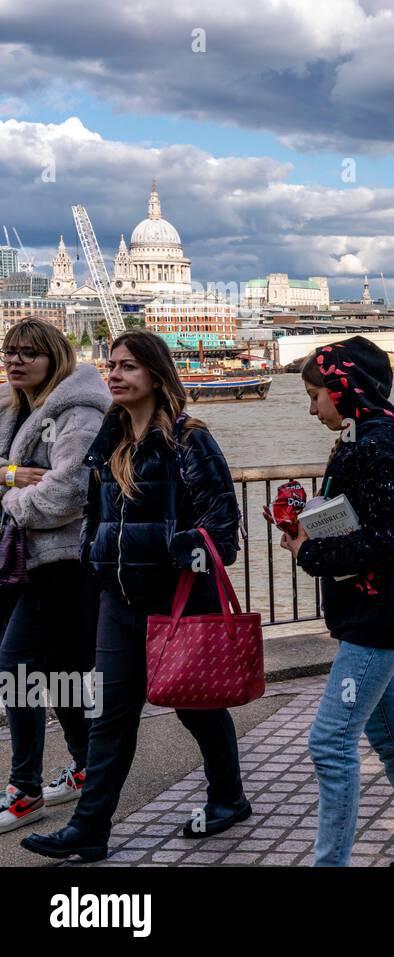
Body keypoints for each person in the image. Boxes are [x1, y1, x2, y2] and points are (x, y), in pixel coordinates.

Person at [22, 330, 249, 863]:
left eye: (127, 366)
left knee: (197, 706)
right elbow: (94, 518)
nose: (114, 374)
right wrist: (95, 556)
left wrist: (167, 547)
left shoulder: (190, 440)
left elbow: (223, 532)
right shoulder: (110, 437)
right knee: (110, 718)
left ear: (155, 374)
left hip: (178, 601)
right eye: (111, 365)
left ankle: (228, 798)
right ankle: (89, 829)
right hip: (118, 602)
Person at [283, 336, 394, 868]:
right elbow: (363, 519)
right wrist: (309, 516)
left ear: (342, 387)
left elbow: (382, 538)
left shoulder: (379, 442)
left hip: (381, 613)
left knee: (330, 743)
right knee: (389, 736)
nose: (312, 410)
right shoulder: (367, 432)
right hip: (375, 610)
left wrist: (309, 551)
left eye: (315, 396)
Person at [0, 319, 109, 836]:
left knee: (15, 664)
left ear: (54, 357)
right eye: (9, 352)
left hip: (62, 563)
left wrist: (11, 499)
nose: (16, 361)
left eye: (28, 353)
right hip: (24, 560)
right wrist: (10, 477)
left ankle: (25, 790)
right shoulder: (13, 405)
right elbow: (13, 473)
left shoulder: (79, 413)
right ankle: (87, 764)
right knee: (59, 667)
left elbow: (69, 494)